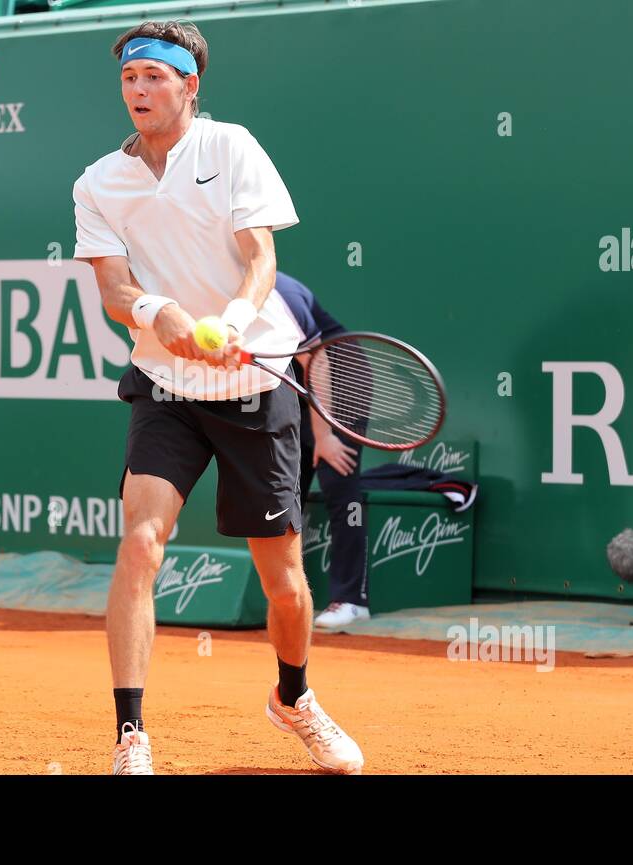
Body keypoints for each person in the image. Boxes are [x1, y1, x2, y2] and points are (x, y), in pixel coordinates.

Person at [72, 19, 363, 775]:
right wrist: (154, 313)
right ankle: (130, 734)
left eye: (155, 78)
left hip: (253, 385)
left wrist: (232, 321)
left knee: (286, 584)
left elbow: (260, 257)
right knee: (141, 543)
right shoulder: (99, 180)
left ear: (189, 85)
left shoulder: (231, 148)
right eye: (130, 78)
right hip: (166, 388)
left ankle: (294, 696)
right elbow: (112, 284)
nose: (138, 90)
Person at [271, 272, 372, 629]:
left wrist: (325, 435)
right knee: (283, 491)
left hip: (340, 376)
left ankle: (352, 600)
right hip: (291, 385)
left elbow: (318, 362)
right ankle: (286, 597)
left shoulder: (281, 294)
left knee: (339, 485)